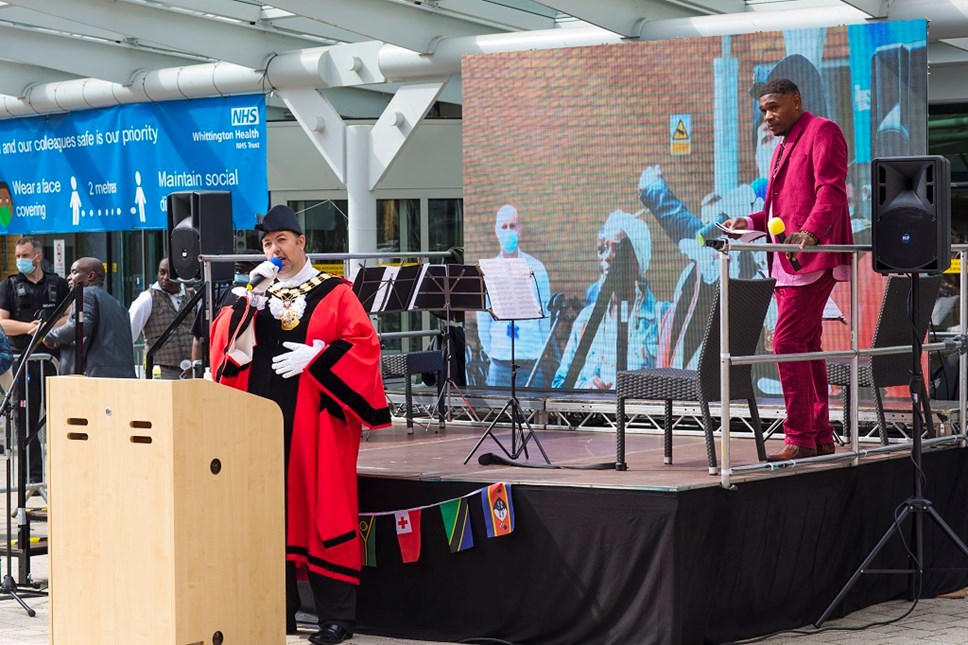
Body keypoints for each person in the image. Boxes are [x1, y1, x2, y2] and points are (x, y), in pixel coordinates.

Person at [209, 204, 390, 645]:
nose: (275, 251)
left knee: (324, 509)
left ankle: (336, 619)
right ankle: (277, 611)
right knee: (268, 514)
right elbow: (224, 352)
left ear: (301, 241)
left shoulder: (334, 291)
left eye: (282, 242)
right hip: (263, 421)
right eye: (268, 244)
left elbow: (365, 345)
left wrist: (321, 358)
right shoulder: (254, 293)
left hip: (316, 423)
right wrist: (245, 305)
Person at [722, 78, 853, 461]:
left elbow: (832, 189)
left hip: (810, 256)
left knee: (786, 342)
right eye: (764, 110)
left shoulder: (822, 130)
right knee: (805, 344)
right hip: (786, 259)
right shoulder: (782, 146)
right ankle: (819, 436)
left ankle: (799, 437)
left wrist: (811, 232)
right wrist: (749, 221)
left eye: (774, 107)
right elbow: (780, 213)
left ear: (796, 101)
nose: (768, 116)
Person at [553, 208, 667, 389]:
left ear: (637, 260)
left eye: (618, 249)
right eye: (606, 248)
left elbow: (675, 388)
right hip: (592, 417)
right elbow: (558, 384)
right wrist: (585, 388)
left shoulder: (661, 318)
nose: (607, 257)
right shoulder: (585, 319)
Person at [0, 236, 70, 483]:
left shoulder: (58, 284)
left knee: (60, 416)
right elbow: (2, 322)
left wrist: (47, 327)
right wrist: (29, 328)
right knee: (26, 418)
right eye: (18, 256)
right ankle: (33, 476)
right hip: (23, 360)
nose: (20, 260)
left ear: (38, 257)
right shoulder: (8, 286)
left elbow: (69, 316)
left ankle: (63, 473)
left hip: (54, 359)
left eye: (25, 256)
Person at [476, 205, 553, 387]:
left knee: (533, 413)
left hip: (531, 362)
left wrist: (538, 348)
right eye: (504, 227)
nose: (508, 231)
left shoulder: (537, 268)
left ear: (520, 230)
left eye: (513, 226)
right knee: (498, 414)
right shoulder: (488, 270)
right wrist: (494, 351)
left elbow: (546, 316)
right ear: (496, 231)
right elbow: (483, 319)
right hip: (499, 364)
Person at [43, 257, 136, 378]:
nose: (69, 277)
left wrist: (51, 335)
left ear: (91, 276)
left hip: (95, 378)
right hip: (122, 377)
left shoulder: (85, 294)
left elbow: (81, 326)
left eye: (74, 272)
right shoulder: (118, 305)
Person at [129, 258, 195, 379]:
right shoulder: (147, 298)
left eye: (170, 273)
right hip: (160, 371)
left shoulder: (191, 295)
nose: (165, 278)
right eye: (162, 272)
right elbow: (128, 334)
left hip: (191, 370)